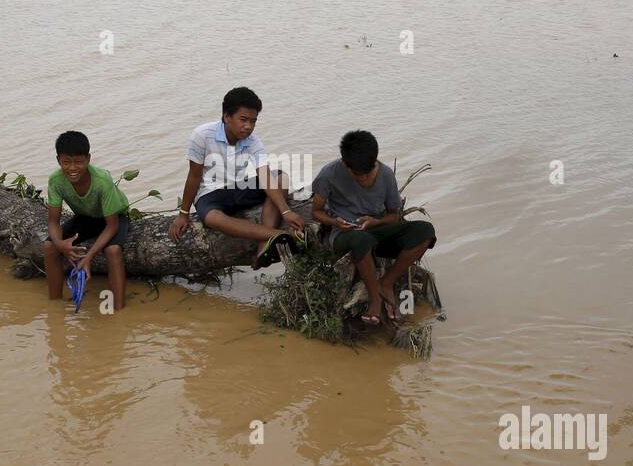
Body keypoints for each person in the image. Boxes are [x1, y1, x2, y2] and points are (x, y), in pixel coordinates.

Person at [168, 87, 304, 268]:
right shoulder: (202, 135)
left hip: (239, 187)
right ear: (226, 117)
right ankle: (275, 234)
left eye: (253, 121)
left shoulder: (253, 141)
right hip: (210, 193)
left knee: (280, 178)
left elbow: (264, 175)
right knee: (212, 219)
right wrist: (183, 214)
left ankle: (264, 244)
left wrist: (286, 211)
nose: (248, 126)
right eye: (243, 119)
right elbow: (193, 176)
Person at [310, 130, 436, 325]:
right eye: (357, 174)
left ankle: (387, 283)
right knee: (361, 239)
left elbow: (393, 215)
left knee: (425, 230)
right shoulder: (329, 174)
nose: (363, 179)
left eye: (367, 173)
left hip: (376, 230)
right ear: (346, 164)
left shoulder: (385, 174)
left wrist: (375, 222)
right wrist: (336, 222)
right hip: (345, 233)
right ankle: (375, 298)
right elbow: (316, 212)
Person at [42, 131, 130, 311]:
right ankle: (54, 305)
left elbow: (112, 225)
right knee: (49, 246)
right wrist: (60, 245)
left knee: (113, 251)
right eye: (66, 162)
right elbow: (53, 221)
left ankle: (118, 310)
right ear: (59, 160)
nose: (73, 168)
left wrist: (89, 257)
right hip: (85, 217)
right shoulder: (56, 180)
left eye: (79, 162)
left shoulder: (102, 180)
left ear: (88, 159)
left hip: (113, 218)